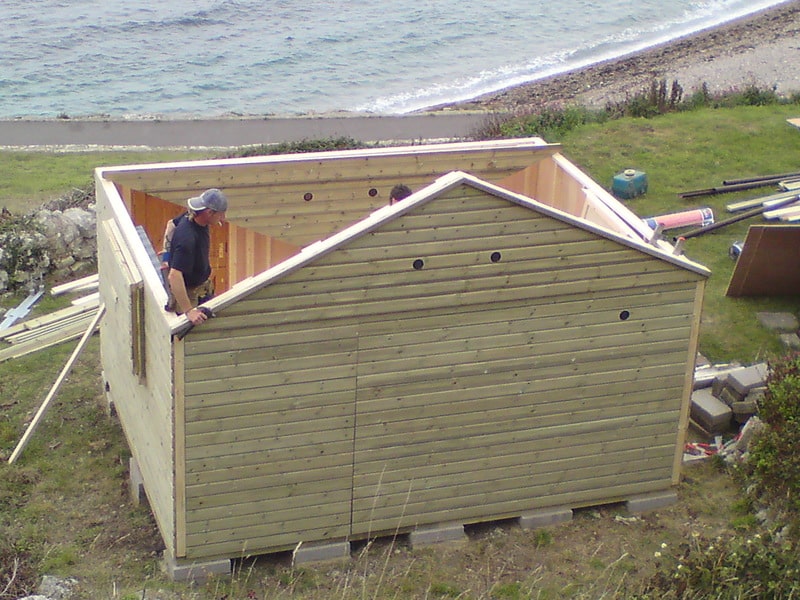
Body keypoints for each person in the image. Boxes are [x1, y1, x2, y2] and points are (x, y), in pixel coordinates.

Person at [166, 188, 228, 326]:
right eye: (220, 215)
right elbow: (174, 276)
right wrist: (189, 311)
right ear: (209, 212)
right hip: (188, 295)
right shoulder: (187, 238)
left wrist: (166, 255)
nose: (223, 219)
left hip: (202, 289)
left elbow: (171, 224)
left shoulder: (192, 216)